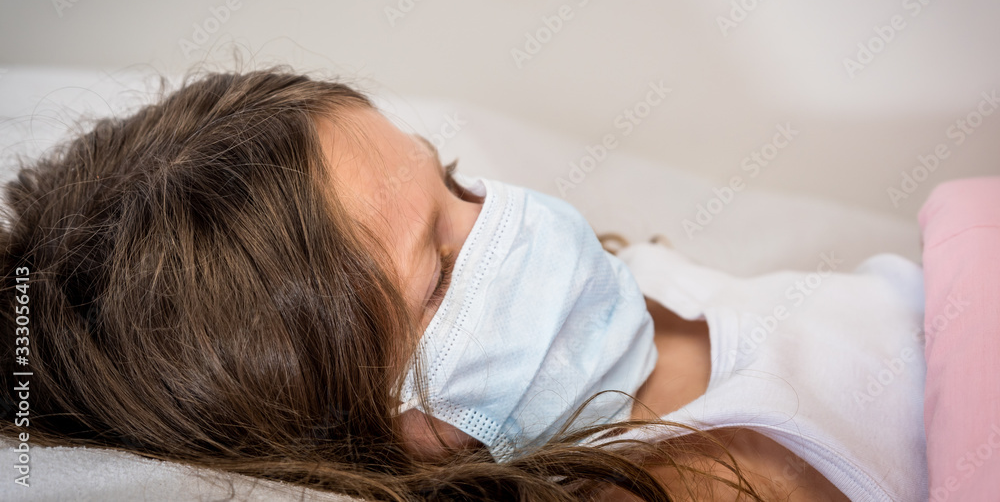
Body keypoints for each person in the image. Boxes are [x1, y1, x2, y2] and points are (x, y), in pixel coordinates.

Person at [0, 67, 924, 501]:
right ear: (358, 441)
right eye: (441, 274)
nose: (511, 224)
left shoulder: (628, 291)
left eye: (454, 179)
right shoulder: (716, 480)